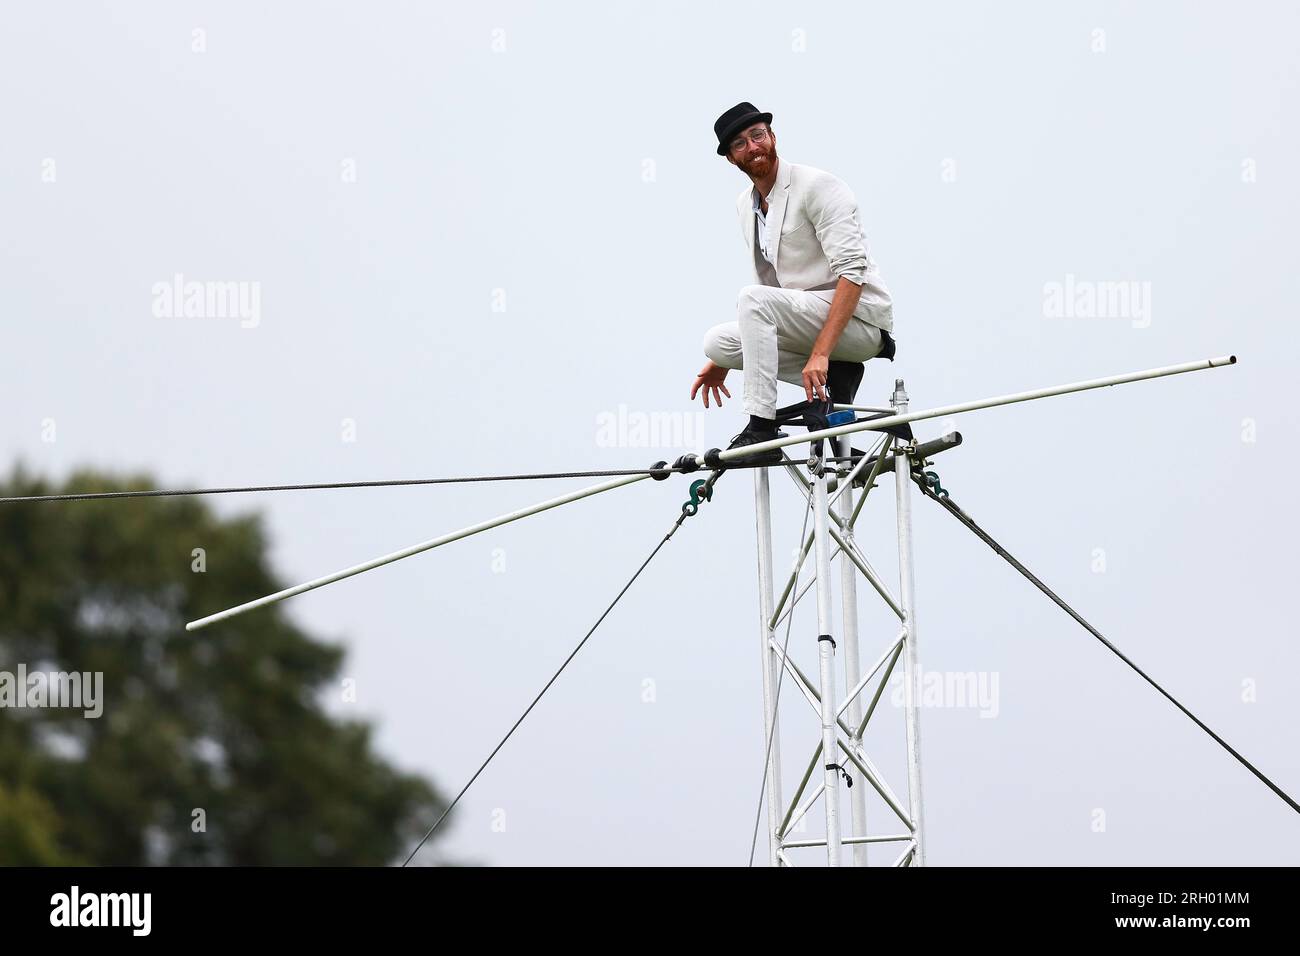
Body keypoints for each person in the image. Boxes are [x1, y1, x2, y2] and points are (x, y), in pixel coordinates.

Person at [692, 102, 896, 463]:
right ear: (730, 158)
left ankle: (762, 426)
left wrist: (819, 354)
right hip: (806, 317)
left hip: (860, 323)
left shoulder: (818, 186)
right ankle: (838, 376)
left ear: (772, 136)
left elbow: (853, 272)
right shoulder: (746, 204)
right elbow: (770, 287)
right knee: (717, 343)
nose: (753, 147)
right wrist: (726, 360)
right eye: (740, 143)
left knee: (752, 300)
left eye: (758, 135)